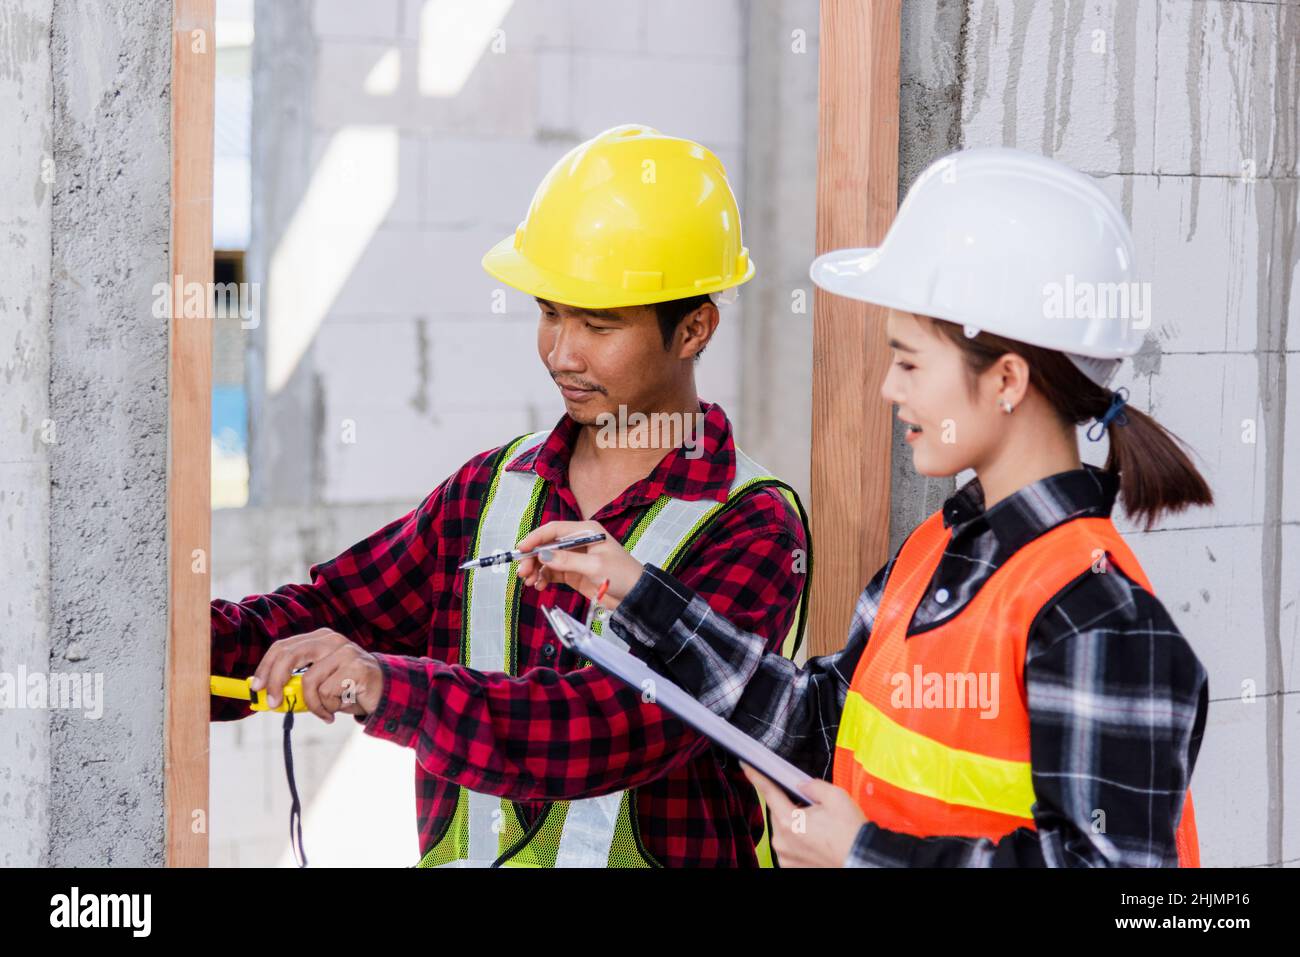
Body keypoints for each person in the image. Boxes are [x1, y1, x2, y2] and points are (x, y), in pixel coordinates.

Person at [515, 147, 1212, 867]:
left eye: (909, 361)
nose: (887, 387)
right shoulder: (935, 551)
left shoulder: (1096, 614)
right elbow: (818, 721)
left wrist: (863, 855)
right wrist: (636, 590)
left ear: (1006, 378)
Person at [210, 125, 810, 868]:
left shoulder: (750, 523)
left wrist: (388, 686)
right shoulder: (490, 491)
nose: (561, 352)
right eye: (550, 312)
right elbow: (324, 613)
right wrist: (170, 648)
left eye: (598, 323)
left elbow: (617, 726)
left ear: (694, 329)